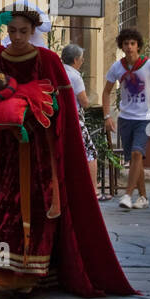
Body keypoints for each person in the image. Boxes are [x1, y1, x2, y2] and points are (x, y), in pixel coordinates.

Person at [0, 5, 136, 296]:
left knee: (36, 209)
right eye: (13, 30)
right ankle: (2, 270)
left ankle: (32, 273)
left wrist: (36, 107)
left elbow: (64, 112)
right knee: (2, 206)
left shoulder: (48, 60)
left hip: (40, 155)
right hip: (2, 153)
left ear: (33, 33)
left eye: (24, 31)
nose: (17, 36)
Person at [102, 27, 150, 210]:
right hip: (125, 118)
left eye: (132, 44)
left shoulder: (149, 64)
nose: (129, 47)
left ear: (138, 46)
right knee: (135, 159)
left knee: (137, 154)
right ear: (122, 46)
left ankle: (127, 194)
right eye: (126, 44)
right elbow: (106, 92)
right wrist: (107, 116)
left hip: (145, 117)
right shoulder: (117, 67)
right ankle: (143, 197)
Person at [61, 43, 98, 189]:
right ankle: (93, 190)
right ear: (76, 60)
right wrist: (90, 101)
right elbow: (84, 102)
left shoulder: (59, 71)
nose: (82, 62)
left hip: (59, 119)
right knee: (90, 152)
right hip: (75, 120)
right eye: (81, 59)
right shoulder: (75, 76)